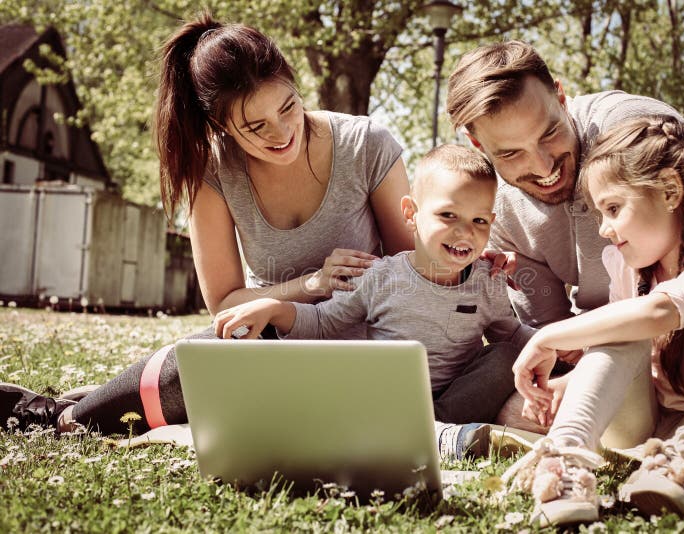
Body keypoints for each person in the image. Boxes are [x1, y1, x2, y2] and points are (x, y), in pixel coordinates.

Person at [0, 14, 412, 436]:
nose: (283, 131)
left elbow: (412, 269)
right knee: (199, 360)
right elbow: (226, 306)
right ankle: (62, 417)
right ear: (221, 126)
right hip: (269, 343)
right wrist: (310, 285)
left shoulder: (366, 144)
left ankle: (73, 408)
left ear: (294, 83)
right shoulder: (213, 170)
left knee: (203, 377)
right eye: (256, 127)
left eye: (289, 106)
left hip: (362, 345)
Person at [502, 115, 684, 527]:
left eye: (613, 209)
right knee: (617, 331)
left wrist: (548, 337)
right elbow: (621, 359)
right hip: (642, 428)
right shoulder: (625, 266)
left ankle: (680, 465)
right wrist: (561, 391)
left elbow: (659, 311)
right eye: (598, 214)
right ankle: (564, 464)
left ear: (669, 192)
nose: (604, 230)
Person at [446, 40, 684, 435]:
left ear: (561, 97)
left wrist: (591, 379)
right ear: (479, 145)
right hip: (607, 356)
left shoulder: (638, 134)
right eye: (511, 154)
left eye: (550, 133)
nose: (543, 167)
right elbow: (558, 342)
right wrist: (569, 377)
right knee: (515, 399)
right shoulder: (498, 207)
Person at [212, 144, 536, 459]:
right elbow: (324, 323)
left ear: (491, 223)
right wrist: (275, 309)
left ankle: (427, 431)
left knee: (505, 355)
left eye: (478, 221)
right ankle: (427, 433)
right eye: (448, 215)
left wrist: (554, 343)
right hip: (390, 396)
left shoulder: (487, 280)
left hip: (458, 395)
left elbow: (507, 333)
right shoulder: (378, 276)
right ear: (411, 213)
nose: (464, 232)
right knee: (343, 380)